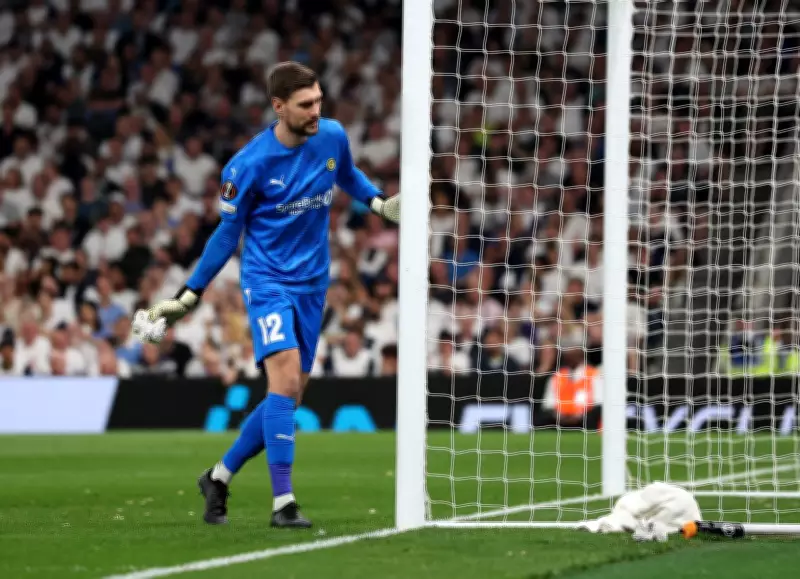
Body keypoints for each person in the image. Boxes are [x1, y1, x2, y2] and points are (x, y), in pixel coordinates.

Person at [131, 62, 400, 528]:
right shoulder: (247, 166)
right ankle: (283, 504)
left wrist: (378, 201)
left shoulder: (332, 135)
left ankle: (218, 476)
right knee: (286, 382)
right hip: (268, 281)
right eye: (305, 105)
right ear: (279, 107)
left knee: (290, 394)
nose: (317, 111)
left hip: (314, 283)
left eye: (319, 100)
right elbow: (224, 236)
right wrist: (190, 294)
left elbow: (348, 176)